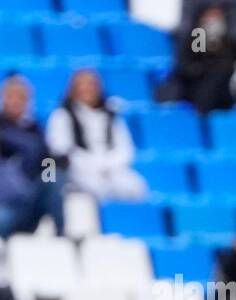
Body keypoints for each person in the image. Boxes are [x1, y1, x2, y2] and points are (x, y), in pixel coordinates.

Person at [44, 69, 146, 201]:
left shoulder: (111, 114)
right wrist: (92, 164)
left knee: (136, 186)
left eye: (92, 85)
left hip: (112, 170)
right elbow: (60, 150)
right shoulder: (62, 115)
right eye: (83, 85)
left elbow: (126, 149)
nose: (88, 90)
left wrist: (107, 165)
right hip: (79, 172)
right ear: (73, 89)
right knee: (94, 189)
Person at [0, 75, 64, 236]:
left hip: (28, 202)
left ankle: (62, 236)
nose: (16, 101)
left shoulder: (36, 131)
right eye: (11, 96)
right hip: (4, 203)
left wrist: (51, 173)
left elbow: (48, 160)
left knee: (54, 178)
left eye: (21, 97)